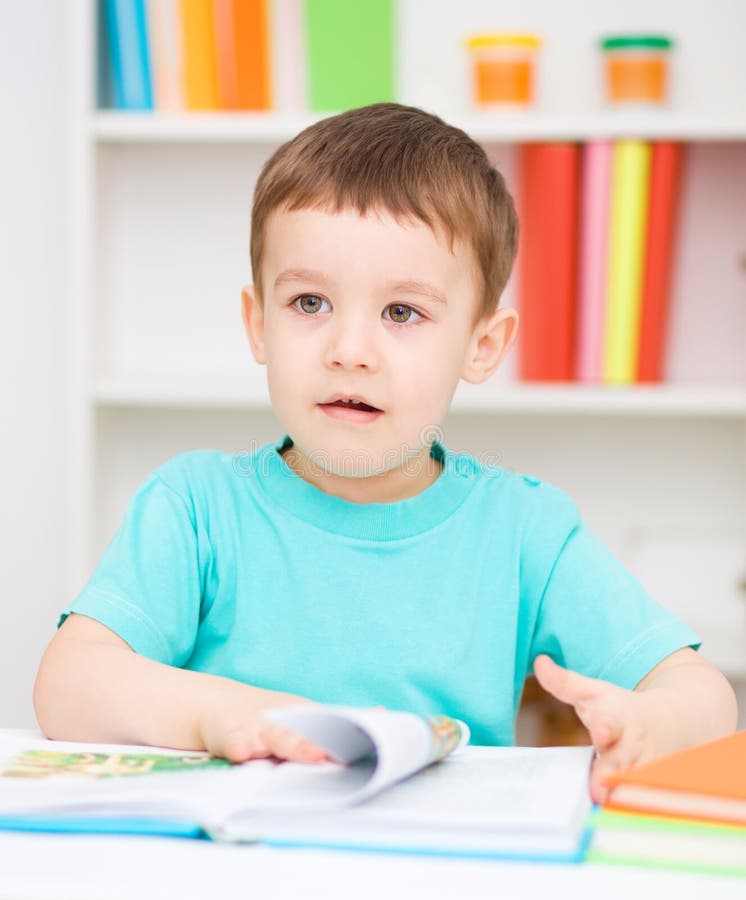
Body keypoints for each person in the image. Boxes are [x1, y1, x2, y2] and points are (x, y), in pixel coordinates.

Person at [34, 103, 737, 803]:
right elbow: (67, 685)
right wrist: (223, 714)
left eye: (402, 313)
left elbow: (704, 696)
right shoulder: (192, 507)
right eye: (309, 303)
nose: (349, 352)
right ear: (258, 324)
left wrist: (655, 721)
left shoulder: (525, 531)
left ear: (481, 345)